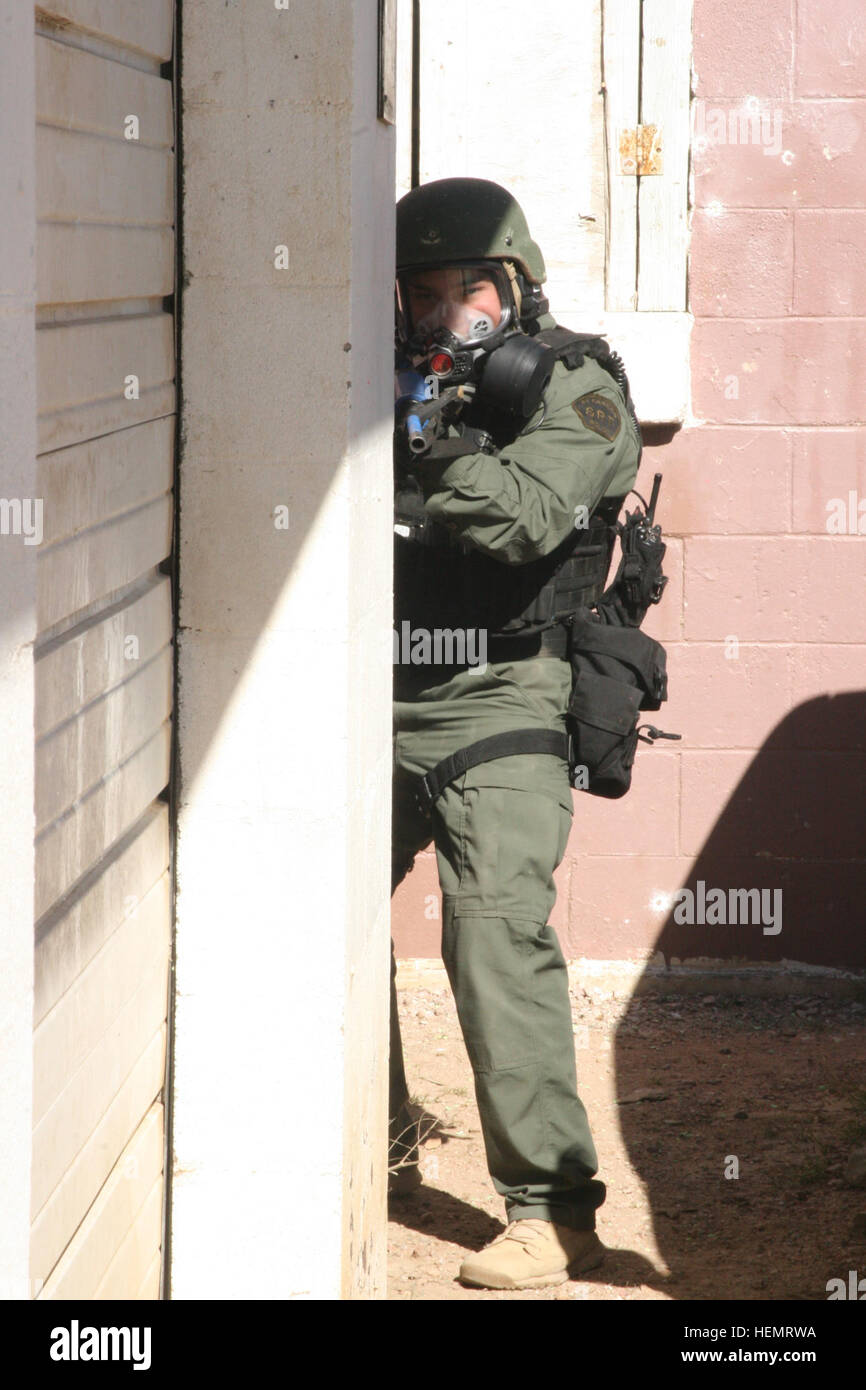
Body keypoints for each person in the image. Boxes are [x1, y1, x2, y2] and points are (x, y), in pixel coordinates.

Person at [389, 177, 642, 1290]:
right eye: (426, 293)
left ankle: (550, 1208)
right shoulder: (362, 369)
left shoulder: (572, 382)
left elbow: (529, 516)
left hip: (501, 691)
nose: (452, 314)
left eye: (472, 289)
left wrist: (423, 448)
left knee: (493, 932)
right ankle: (375, 1124)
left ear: (517, 286)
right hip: (363, 685)